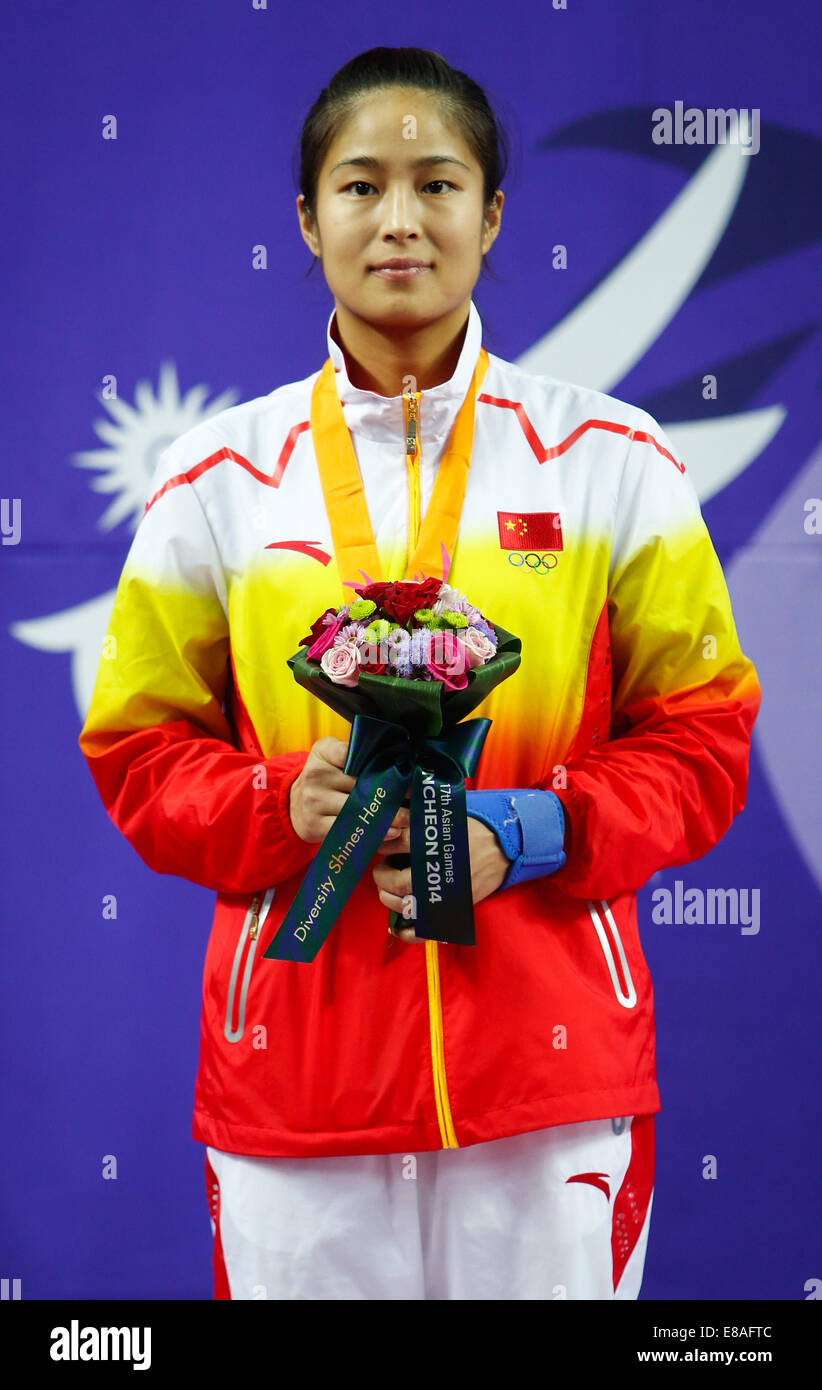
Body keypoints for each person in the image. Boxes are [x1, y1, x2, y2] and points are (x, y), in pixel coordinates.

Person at [78, 46, 762, 1301]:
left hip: (546, 1089)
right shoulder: (216, 480)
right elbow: (137, 754)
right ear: (308, 216)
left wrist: (538, 824)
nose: (399, 219)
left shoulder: (613, 462)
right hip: (296, 1082)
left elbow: (705, 743)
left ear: (493, 215)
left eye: (438, 183)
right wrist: (273, 803)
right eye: (360, 184)